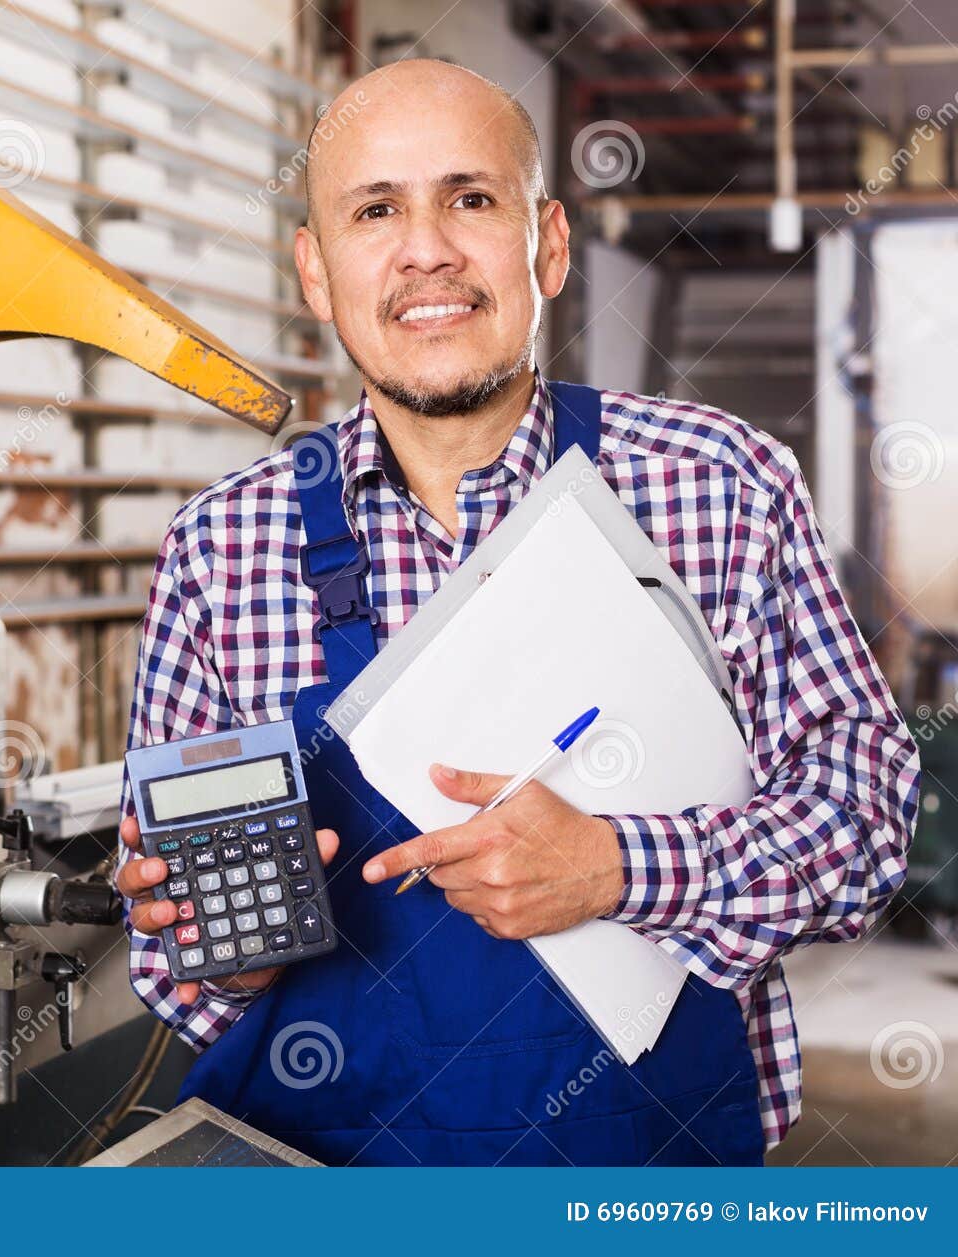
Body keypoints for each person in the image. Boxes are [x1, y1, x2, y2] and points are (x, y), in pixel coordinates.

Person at [114, 58, 919, 1166]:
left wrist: (619, 869)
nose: (426, 248)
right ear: (314, 269)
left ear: (545, 243)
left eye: (470, 198)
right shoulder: (220, 550)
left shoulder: (721, 485)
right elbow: (174, 969)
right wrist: (227, 948)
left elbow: (869, 815)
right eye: (375, 210)